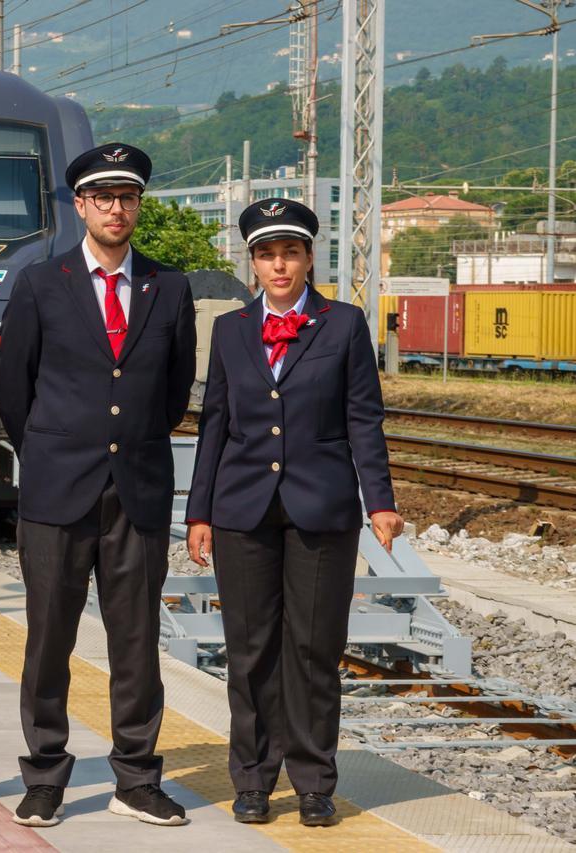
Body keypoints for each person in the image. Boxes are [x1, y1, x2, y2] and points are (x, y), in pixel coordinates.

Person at [185, 198, 405, 827]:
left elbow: (364, 417)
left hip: (323, 507)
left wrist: (380, 500)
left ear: (310, 257)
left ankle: (313, 782)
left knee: (313, 649)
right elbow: (216, 426)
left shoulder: (344, 324)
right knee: (249, 650)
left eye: (289, 252)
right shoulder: (230, 330)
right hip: (241, 509)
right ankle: (252, 779)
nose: (278, 266)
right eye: (265, 254)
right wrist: (200, 510)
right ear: (250, 262)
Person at [0, 143, 196, 828]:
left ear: (138, 205)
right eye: (103, 197)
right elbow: (12, 389)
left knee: (136, 641)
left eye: (128, 197)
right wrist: (53, 452)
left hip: (136, 490)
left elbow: (172, 393)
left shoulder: (169, 287)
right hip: (57, 490)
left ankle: (136, 777)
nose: (117, 209)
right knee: (48, 637)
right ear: (80, 205)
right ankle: (46, 774)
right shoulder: (39, 282)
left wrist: (124, 447)